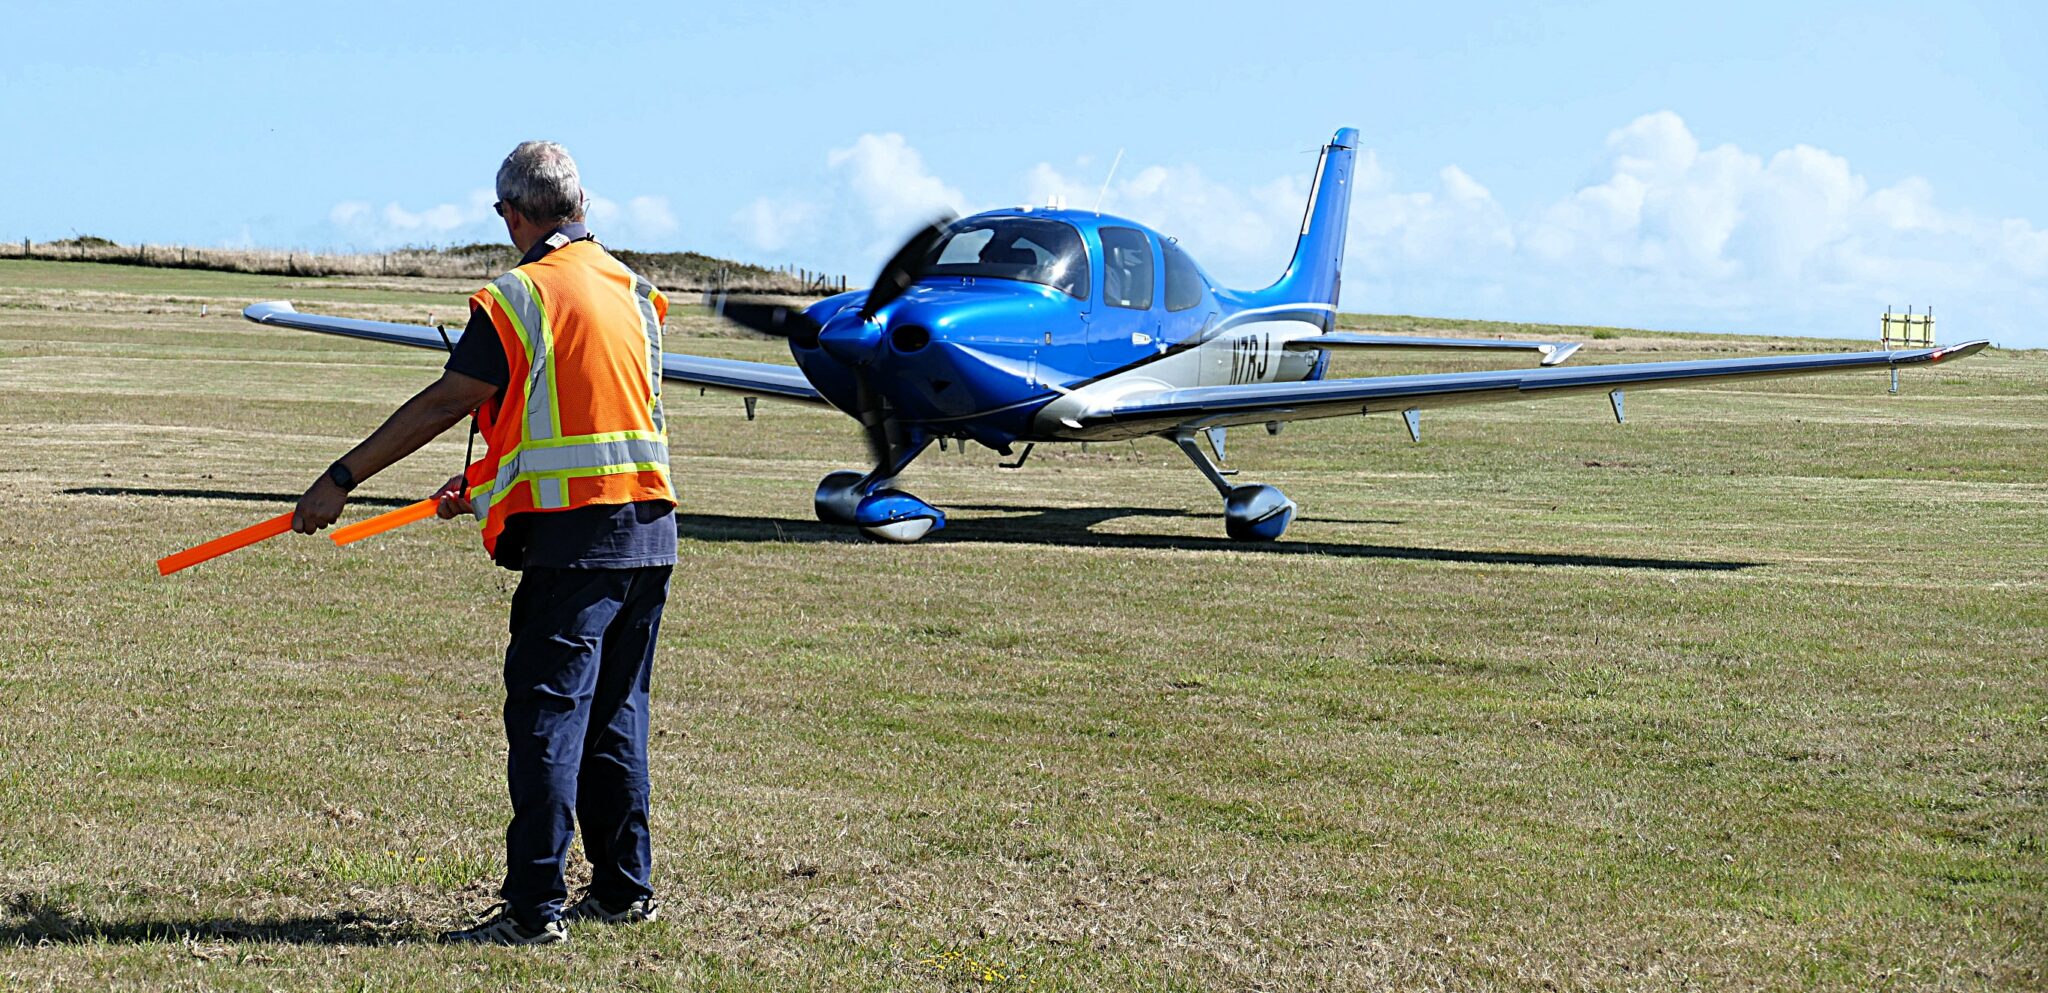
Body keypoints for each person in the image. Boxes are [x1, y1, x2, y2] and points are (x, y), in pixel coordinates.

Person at [292, 140, 676, 946]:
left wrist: (342, 476)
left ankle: (536, 907)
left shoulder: (521, 295)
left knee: (548, 718)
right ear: (581, 203)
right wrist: (486, 489)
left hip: (578, 547)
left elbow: (450, 401)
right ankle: (622, 888)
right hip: (651, 531)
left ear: (516, 212)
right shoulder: (633, 290)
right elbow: (577, 416)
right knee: (616, 716)